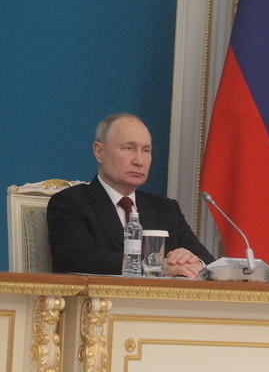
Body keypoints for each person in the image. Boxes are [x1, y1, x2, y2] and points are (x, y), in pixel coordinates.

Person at [47, 113, 215, 277]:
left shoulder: (165, 208)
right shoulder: (70, 202)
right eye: (128, 148)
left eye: (146, 150)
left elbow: (208, 260)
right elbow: (81, 259)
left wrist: (191, 261)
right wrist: (155, 266)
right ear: (99, 151)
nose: (139, 161)